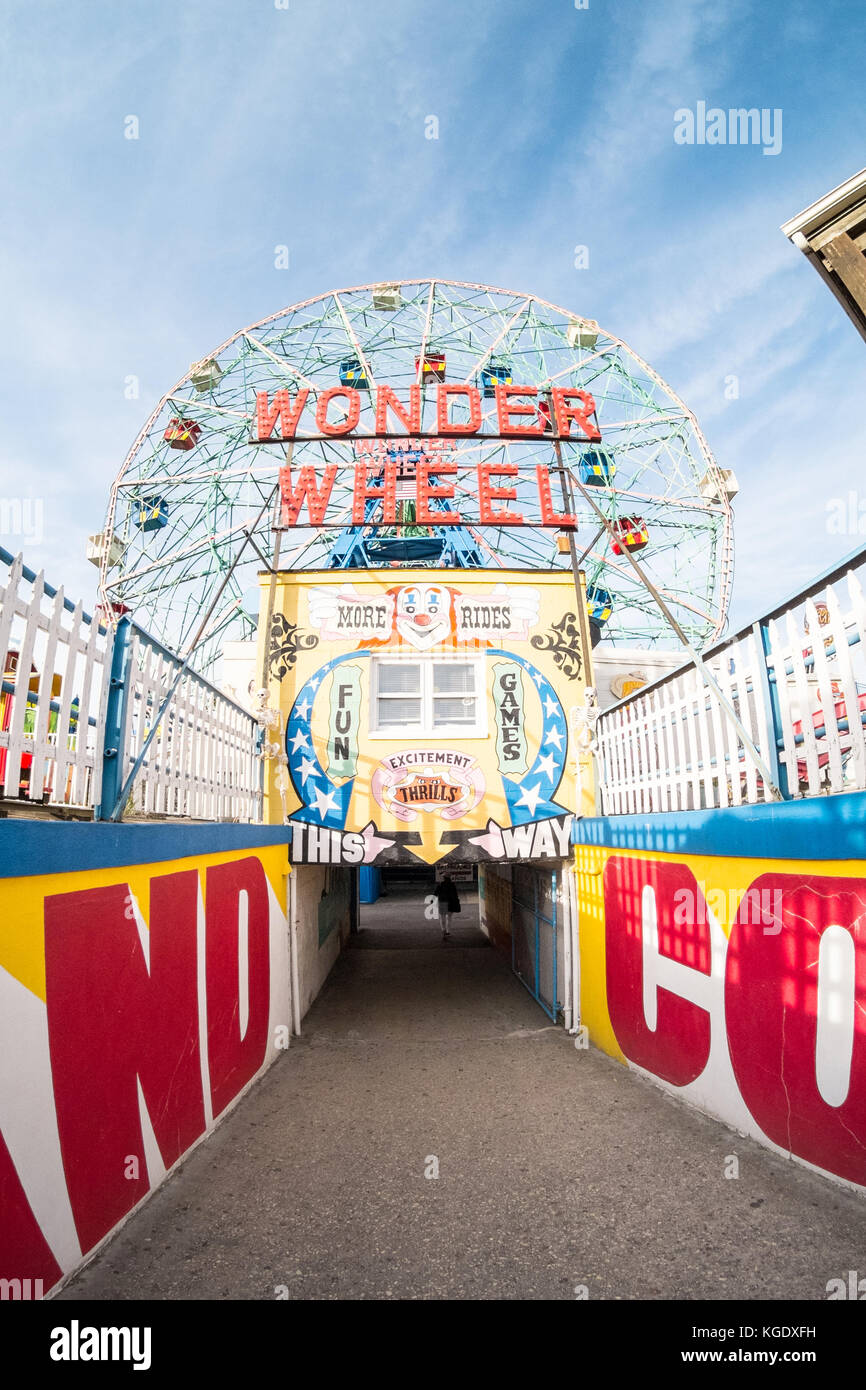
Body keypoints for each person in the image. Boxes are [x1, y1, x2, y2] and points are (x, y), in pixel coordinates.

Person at [434, 873, 461, 940]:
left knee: (442, 917)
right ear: (449, 878)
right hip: (451, 903)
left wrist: (432, 900)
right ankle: (448, 932)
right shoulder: (452, 885)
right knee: (449, 918)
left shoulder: (440, 884)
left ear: (444, 878)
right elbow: (455, 895)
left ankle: (444, 930)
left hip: (442, 902)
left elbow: (435, 893)